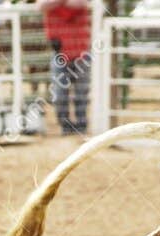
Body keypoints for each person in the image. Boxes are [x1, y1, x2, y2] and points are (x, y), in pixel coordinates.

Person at [38, 0, 89, 135]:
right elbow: (41, 5)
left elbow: (81, 3)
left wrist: (56, 4)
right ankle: (65, 125)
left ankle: (81, 125)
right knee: (59, 92)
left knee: (81, 92)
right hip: (59, 52)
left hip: (81, 51)